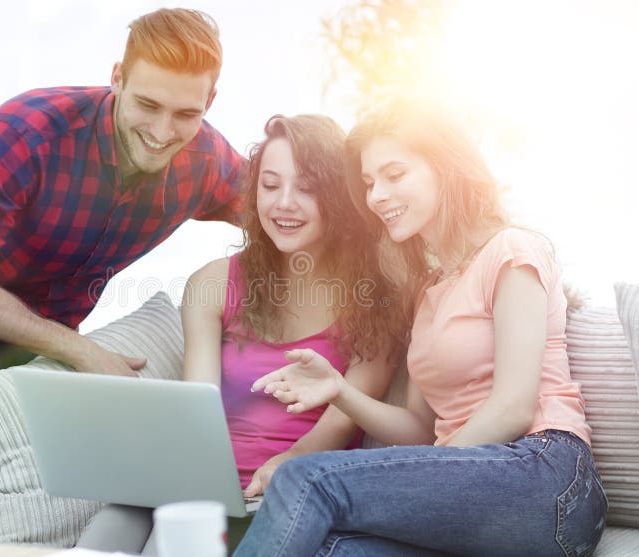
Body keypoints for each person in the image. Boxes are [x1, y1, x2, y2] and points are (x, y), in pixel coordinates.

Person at [234, 98, 607, 557]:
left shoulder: (511, 251)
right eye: (370, 182)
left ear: (444, 169)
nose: (377, 196)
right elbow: (419, 429)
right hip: (468, 492)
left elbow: (512, 407)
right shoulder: (429, 291)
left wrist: (425, 474)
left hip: (547, 478)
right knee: (333, 550)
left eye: (395, 175)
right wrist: (339, 390)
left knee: (305, 477)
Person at [0, 8, 246, 406]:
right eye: (148, 105)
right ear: (118, 78)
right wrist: (81, 351)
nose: (162, 132)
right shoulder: (25, 133)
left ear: (210, 101)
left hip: (16, 333)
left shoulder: (205, 160)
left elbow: (286, 215)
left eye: (186, 114)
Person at [77, 114, 402, 555]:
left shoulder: (377, 299)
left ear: (340, 196)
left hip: (282, 495)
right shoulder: (212, 283)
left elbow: (344, 419)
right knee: (119, 517)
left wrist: (288, 462)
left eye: (306, 188)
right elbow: (199, 406)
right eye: (270, 186)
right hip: (201, 481)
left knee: (174, 538)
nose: (284, 203)